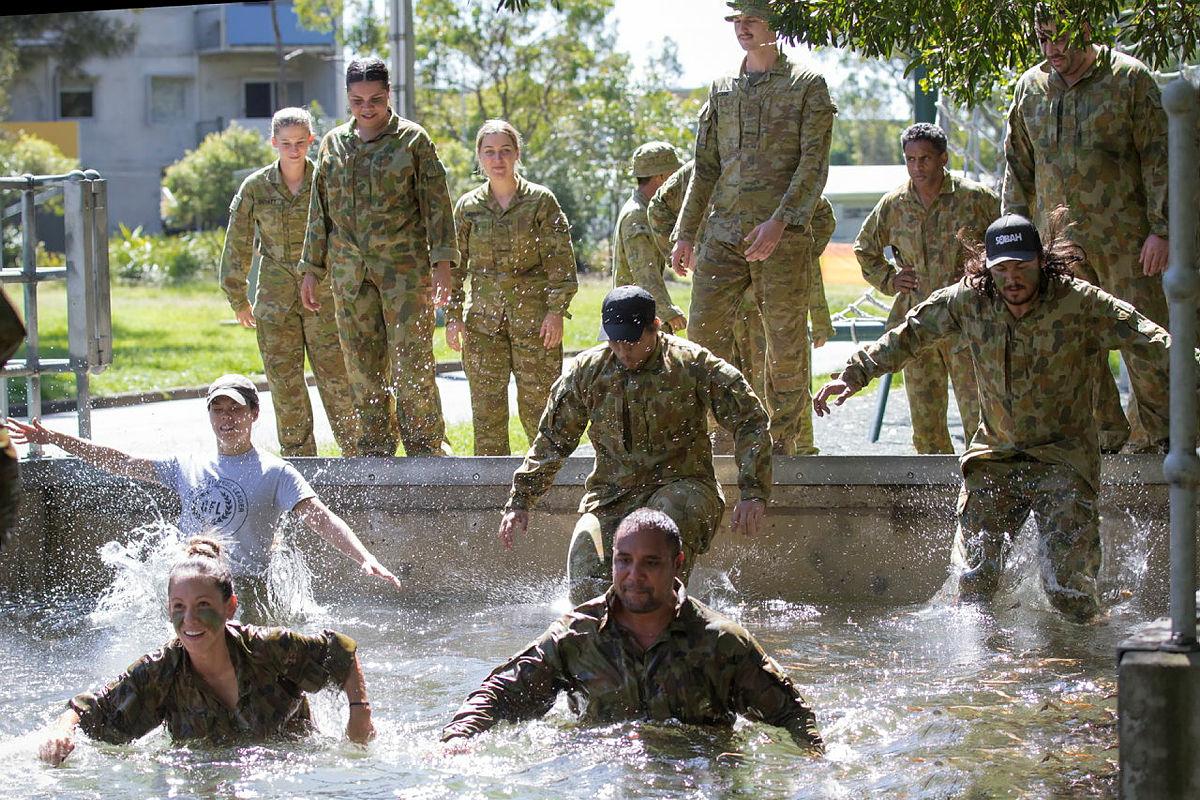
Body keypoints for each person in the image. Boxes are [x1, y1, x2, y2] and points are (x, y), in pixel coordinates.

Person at [814, 212, 1172, 621]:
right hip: (995, 457)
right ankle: (988, 672)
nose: (1012, 279)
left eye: (1022, 267)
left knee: (1069, 595)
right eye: (1002, 269)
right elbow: (910, 334)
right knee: (973, 588)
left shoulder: (1081, 303)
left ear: (1041, 261)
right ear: (987, 269)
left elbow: (1155, 342)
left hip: (1063, 459)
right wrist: (852, 375)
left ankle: (1087, 654)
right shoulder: (968, 301)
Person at [444, 508, 824, 751]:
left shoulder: (720, 641)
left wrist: (815, 764)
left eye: (650, 563)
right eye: (623, 561)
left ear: (677, 564)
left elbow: (793, 715)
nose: (633, 576)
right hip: (605, 774)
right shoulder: (578, 635)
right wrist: (458, 737)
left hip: (698, 778)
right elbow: (500, 691)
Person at [5, 374, 402, 596]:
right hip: (191, 586)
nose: (227, 418)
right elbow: (121, 461)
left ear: (254, 414)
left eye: (236, 409)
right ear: (209, 415)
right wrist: (56, 439)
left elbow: (319, 516)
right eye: (218, 409)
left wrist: (362, 556)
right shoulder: (186, 464)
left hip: (245, 590)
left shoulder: (275, 472)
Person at [497, 286, 771, 604]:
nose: (624, 352)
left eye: (632, 341)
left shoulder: (691, 365)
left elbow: (751, 419)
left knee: (658, 539)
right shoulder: (589, 372)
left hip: (683, 486)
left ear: (654, 326)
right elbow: (552, 441)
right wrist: (520, 501)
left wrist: (753, 491)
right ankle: (606, 644)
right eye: (615, 342)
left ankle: (669, 627)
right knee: (586, 582)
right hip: (612, 496)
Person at [36, 537, 374, 765]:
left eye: (203, 605)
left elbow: (340, 652)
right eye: (179, 607)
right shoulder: (161, 671)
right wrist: (60, 732)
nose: (190, 620)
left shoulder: (268, 648)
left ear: (230, 607)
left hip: (292, 767)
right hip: (206, 778)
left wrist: (360, 715)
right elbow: (87, 708)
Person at [670, 1, 836, 454]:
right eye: (736, 22)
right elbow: (704, 167)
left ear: (775, 24)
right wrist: (686, 234)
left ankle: (782, 447)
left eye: (752, 20)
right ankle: (712, 441)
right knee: (702, 340)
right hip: (722, 237)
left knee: (784, 348)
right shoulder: (722, 88)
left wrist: (780, 222)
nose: (742, 29)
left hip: (782, 239)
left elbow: (813, 165)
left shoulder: (807, 86)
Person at [1003, 5, 1170, 453]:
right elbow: (1018, 170)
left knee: (1147, 341)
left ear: (1087, 29)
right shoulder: (1030, 89)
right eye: (1042, 39)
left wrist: (1163, 229)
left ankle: (1166, 443)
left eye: (1060, 38)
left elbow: (1159, 158)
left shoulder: (1129, 79)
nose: (1052, 49)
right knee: (1073, 345)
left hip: (1129, 245)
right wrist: (1012, 240)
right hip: (1060, 250)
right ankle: (1106, 442)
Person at [299, 56, 458, 457]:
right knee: (361, 368)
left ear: (389, 95)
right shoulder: (334, 144)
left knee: (412, 365)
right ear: (347, 99)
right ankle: (375, 452)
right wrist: (310, 270)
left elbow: (437, 206)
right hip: (350, 275)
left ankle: (425, 449)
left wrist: (442, 267)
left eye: (375, 98)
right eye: (357, 100)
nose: (366, 108)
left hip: (404, 274)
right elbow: (320, 212)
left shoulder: (413, 140)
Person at [649, 159, 838, 424]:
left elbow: (821, 216)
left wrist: (787, 264)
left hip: (763, 302)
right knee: (715, 376)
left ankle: (786, 453)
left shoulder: (767, 168)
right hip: (719, 299)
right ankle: (723, 448)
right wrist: (687, 255)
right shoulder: (697, 172)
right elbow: (658, 209)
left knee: (775, 379)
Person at [220, 106, 360, 458]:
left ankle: (358, 457)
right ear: (274, 143)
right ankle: (299, 461)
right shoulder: (256, 187)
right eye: (286, 143)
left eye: (300, 142)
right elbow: (237, 241)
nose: (294, 150)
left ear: (311, 141)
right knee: (285, 383)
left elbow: (348, 234)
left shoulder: (327, 180)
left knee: (338, 378)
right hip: (275, 294)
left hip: (323, 292)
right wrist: (237, 296)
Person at [854, 122, 997, 453]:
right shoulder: (894, 204)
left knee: (981, 416)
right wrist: (890, 279)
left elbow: (1003, 243)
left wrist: (987, 284)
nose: (917, 167)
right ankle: (936, 493)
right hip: (917, 325)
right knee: (926, 422)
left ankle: (986, 490)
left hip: (967, 322)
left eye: (925, 159)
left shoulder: (975, 199)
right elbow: (864, 248)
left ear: (943, 158)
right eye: (910, 159)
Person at [446, 119, 577, 456]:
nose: (498, 159)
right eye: (489, 152)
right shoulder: (468, 207)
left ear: (517, 153)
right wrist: (452, 315)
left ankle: (547, 488)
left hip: (535, 323)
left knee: (540, 411)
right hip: (483, 324)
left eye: (505, 150)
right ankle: (494, 495)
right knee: (487, 413)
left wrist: (556, 312)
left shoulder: (540, 202)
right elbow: (455, 268)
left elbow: (560, 262)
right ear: (479, 157)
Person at [612, 141, 687, 334]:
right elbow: (644, 273)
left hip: (637, 316)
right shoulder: (638, 215)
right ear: (661, 177)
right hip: (634, 322)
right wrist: (667, 311)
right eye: (674, 175)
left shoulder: (645, 209)